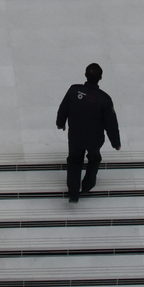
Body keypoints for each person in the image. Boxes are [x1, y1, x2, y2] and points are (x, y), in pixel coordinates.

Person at [55, 63, 121, 203]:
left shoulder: (74, 91)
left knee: (74, 161)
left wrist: (60, 123)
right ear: (100, 78)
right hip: (95, 139)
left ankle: (73, 193)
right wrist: (116, 143)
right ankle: (87, 185)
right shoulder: (104, 99)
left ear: (85, 75)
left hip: (76, 137)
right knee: (94, 158)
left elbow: (63, 108)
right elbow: (111, 124)